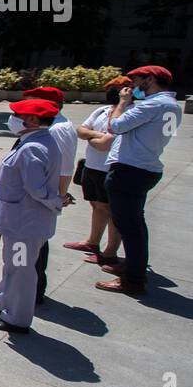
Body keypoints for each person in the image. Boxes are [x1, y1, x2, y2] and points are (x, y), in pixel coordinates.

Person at [0, 99, 64, 333]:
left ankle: (17, 317)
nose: (12, 119)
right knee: (13, 265)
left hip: (24, 223)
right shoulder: (34, 141)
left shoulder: (33, 147)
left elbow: (36, 188)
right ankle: (3, 300)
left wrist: (57, 202)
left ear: (32, 120)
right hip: (19, 221)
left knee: (21, 270)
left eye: (17, 114)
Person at [97, 65, 183, 296]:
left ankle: (133, 279)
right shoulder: (174, 107)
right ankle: (133, 267)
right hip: (146, 167)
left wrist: (122, 103)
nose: (132, 87)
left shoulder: (153, 105)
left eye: (135, 81)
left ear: (151, 79)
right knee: (135, 224)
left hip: (130, 170)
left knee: (130, 226)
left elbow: (114, 126)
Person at [20, 86, 78, 305]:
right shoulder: (55, 126)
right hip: (40, 199)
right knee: (31, 250)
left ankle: (28, 294)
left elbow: (64, 168)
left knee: (29, 251)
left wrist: (58, 199)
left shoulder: (57, 130)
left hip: (39, 202)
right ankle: (24, 291)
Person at [66, 76, 132, 267]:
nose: (113, 92)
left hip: (110, 168)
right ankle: (92, 242)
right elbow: (81, 130)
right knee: (96, 205)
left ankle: (110, 252)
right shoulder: (102, 110)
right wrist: (96, 136)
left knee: (112, 210)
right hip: (92, 166)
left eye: (118, 89)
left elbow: (104, 145)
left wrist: (93, 137)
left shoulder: (129, 114)